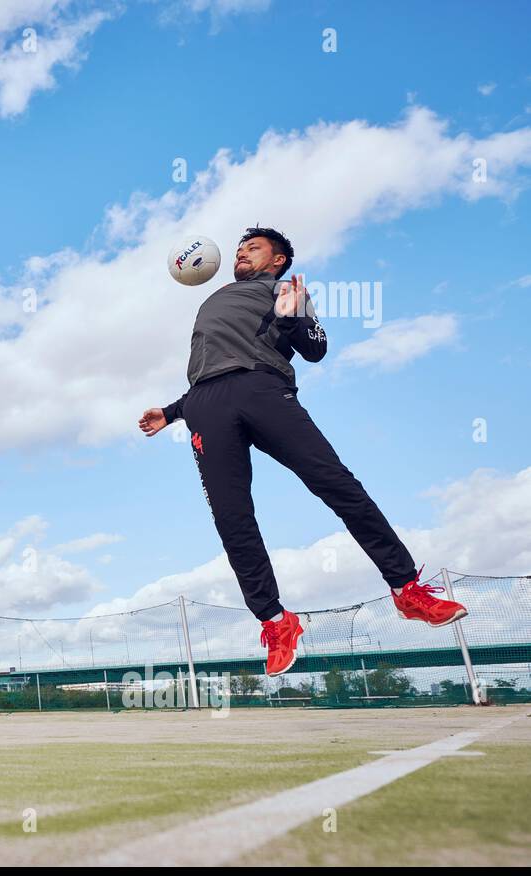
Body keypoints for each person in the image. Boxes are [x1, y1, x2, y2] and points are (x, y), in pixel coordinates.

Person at [138, 226, 466, 677]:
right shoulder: (212, 300)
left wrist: (292, 315)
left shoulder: (284, 291)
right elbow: (213, 366)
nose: (241, 255)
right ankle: (275, 621)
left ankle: (407, 589)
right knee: (232, 519)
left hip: (263, 389)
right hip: (205, 405)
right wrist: (173, 411)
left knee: (337, 486)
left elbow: (315, 349)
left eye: (253, 249)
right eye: (238, 250)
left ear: (277, 261)